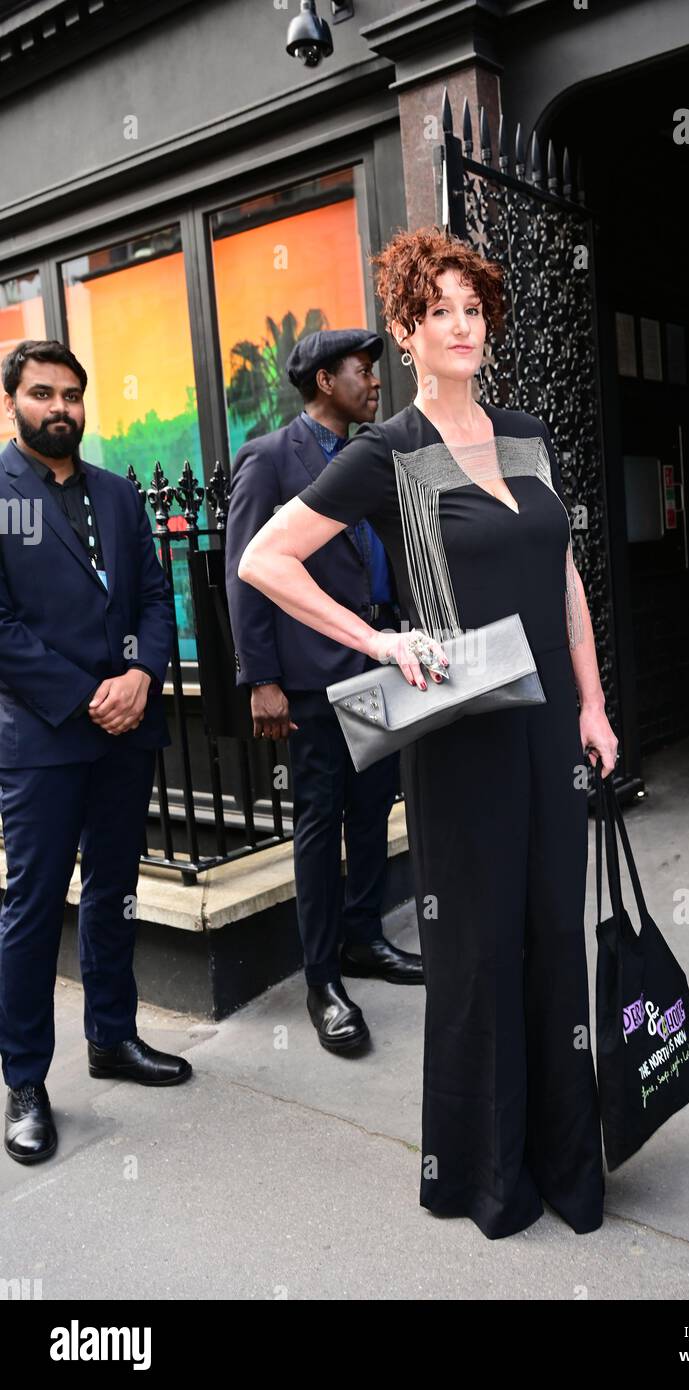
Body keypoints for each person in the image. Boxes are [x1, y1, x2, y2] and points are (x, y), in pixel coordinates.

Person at [237, 227, 619, 1240]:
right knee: (481, 951)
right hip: (462, 732)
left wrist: (592, 704)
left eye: (473, 308)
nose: (460, 326)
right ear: (405, 333)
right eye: (437, 310)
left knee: (555, 936)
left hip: (551, 727)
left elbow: (565, 578)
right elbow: (267, 559)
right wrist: (376, 637)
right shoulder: (389, 451)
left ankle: (567, 1160)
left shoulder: (527, 434)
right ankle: (488, 1174)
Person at [0, 339, 190, 1167]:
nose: (60, 408)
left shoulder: (116, 493)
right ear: (12, 401)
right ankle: (24, 1081)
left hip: (126, 731)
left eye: (71, 395)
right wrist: (88, 695)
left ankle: (113, 1036)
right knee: (35, 906)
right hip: (43, 738)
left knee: (115, 891)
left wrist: (142, 674)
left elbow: (152, 595)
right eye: (42, 393)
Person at [226, 329, 423, 1053]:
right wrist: (262, 677)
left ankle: (364, 938)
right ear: (322, 381)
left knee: (373, 810)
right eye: (361, 371)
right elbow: (246, 570)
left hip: (380, 662)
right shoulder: (270, 458)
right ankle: (322, 982)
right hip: (311, 676)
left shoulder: (374, 455)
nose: (374, 382)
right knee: (319, 824)